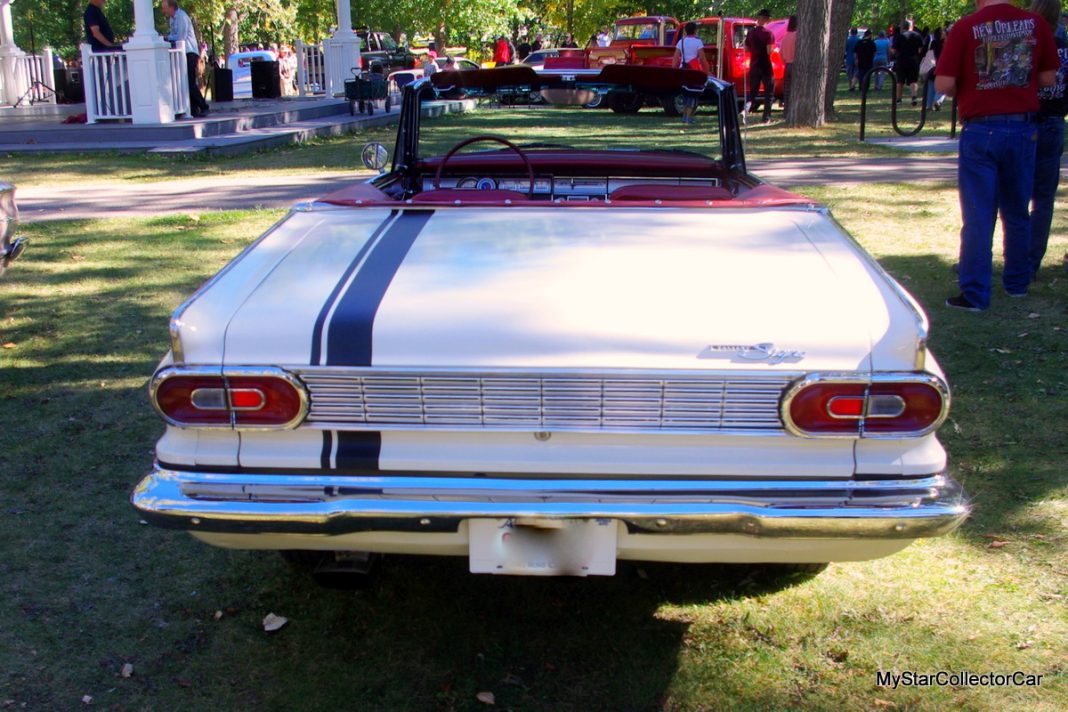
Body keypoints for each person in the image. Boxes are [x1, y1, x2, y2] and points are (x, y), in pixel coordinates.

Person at [935, 0, 1058, 310]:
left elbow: (944, 83)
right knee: (1017, 211)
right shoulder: (1036, 24)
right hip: (1023, 126)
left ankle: (975, 293)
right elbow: (1048, 78)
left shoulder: (965, 27)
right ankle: (1017, 283)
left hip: (981, 128)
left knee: (978, 214)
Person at [1029, 0, 1068, 279]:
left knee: (1012, 194)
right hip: (1054, 121)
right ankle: (1032, 260)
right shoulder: (1064, 47)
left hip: (1026, 120)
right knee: (1043, 197)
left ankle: (1015, 257)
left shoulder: (1028, 42)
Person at [162, 0, 209, 117]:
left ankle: (203, 105)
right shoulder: (172, 19)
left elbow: (180, 37)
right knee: (183, 82)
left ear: (171, 7)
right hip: (181, 53)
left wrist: (166, 38)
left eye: (164, 8)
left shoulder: (181, 17)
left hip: (189, 52)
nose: (163, 11)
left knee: (189, 81)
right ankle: (194, 108)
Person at [673, 21, 709, 125]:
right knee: (694, 94)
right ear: (695, 31)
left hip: (683, 70)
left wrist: (673, 70)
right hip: (694, 71)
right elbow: (702, 58)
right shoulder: (698, 42)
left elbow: (675, 59)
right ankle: (688, 117)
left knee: (686, 94)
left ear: (686, 31)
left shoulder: (681, 42)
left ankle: (685, 116)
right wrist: (706, 72)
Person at [744, 9, 776, 123]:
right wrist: (774, 49)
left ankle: (745, 111)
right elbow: (769, 51)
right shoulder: (769, 34)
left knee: (752, 91)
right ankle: (766, 117)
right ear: (767, 19)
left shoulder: (751, 32)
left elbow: (746, 49)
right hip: (765, 66)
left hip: (754, 64)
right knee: (769, 92)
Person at [892, 19, 924, 105]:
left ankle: (899, 99)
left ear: (902, 27)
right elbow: (920, 49)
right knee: (913, 80)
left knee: (900, 81)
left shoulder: (899, 36)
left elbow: (893, 50)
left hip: (901, 60)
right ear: (910, 26)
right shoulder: (917, 35)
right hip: (913, 60)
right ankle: (913, 97)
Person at [780, 16, 797, 109]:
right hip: (795, 64)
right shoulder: (797, 35)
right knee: (796, 89)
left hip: (787, 64)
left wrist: (785, 61)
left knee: (787, 90)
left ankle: (787, 110)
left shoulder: (785, 37)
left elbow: (780, 53)